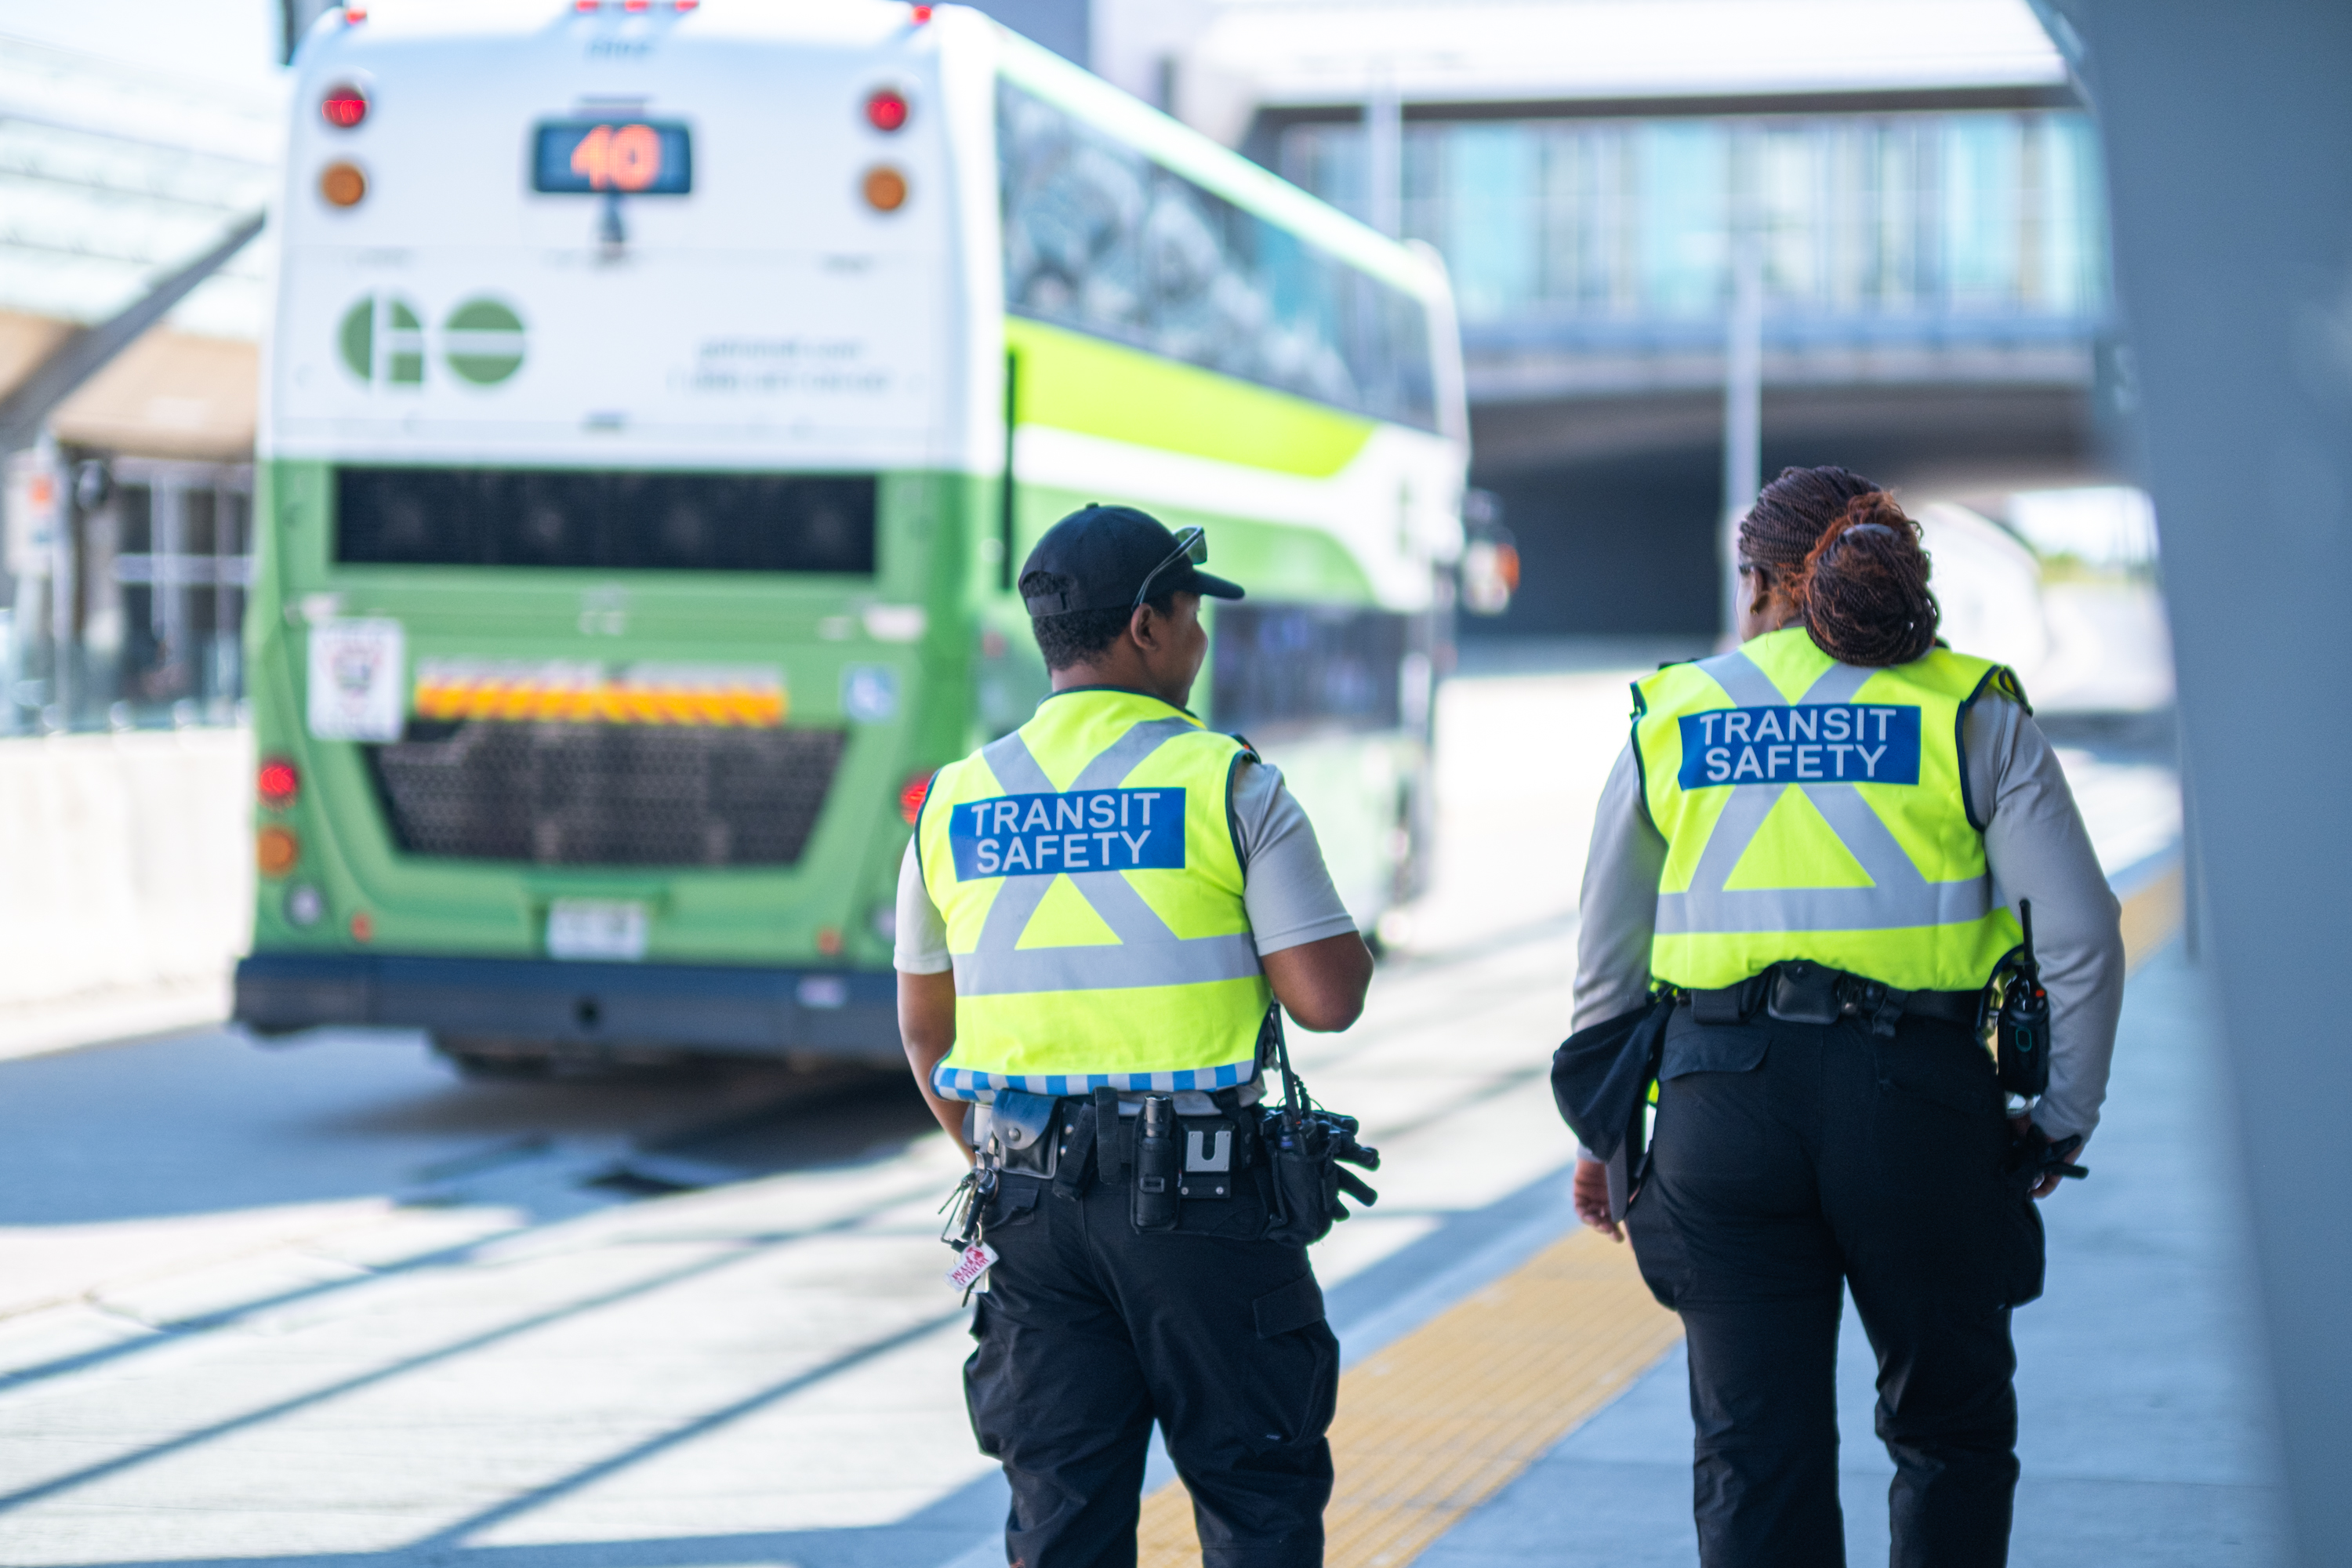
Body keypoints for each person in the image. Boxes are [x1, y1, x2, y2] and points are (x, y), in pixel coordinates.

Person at [1567, 466, 2125, 1567]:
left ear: (1767, 582)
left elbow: (1606, 961)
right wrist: (2059, 1118)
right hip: (1915, 1105)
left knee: (1750, 1449)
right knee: (1949, 1435)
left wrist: (1603, 1136)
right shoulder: (1969, 707)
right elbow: (2084, 938)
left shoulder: (1678, 710)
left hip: (1716, 1107)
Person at [894, 502, 1376, 1568]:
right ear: (1148, 627)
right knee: (1258, 1502)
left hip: (1025, 1209)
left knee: (1062, 1520)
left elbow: (926, 1029)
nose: (1203, 640)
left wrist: (995, 1158)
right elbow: (1328, 998)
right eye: (1194, 614)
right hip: (1202, 1210)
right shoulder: (1229, 781)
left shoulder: (955, 803)